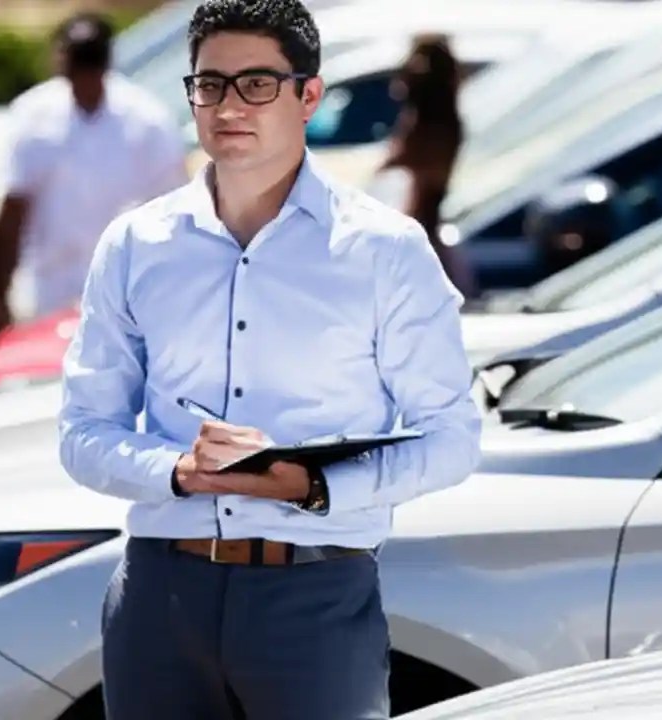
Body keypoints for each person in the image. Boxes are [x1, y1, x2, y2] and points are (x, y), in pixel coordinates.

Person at [57, 0, 482, 718]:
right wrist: (180, 471)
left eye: (257, 83)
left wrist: (309, 486)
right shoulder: (134, 245)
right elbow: (82, 432)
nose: (229, 106)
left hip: (314, 597)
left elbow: (451, 439)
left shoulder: (384, 249)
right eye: (210, 85)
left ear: (308, 96)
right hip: (160, 598)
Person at [0, 11, 187, 335]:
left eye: (92, 62)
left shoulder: (147, 121)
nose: (84, 76)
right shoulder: (32, 115)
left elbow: (173, 215)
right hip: (48, 289)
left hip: (124, 290)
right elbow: (12, 210)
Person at [368, 33, 477, 297]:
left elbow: (415, 158)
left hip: (426, 205)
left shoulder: (432, 118)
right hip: (426, 205)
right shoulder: (441, 115)